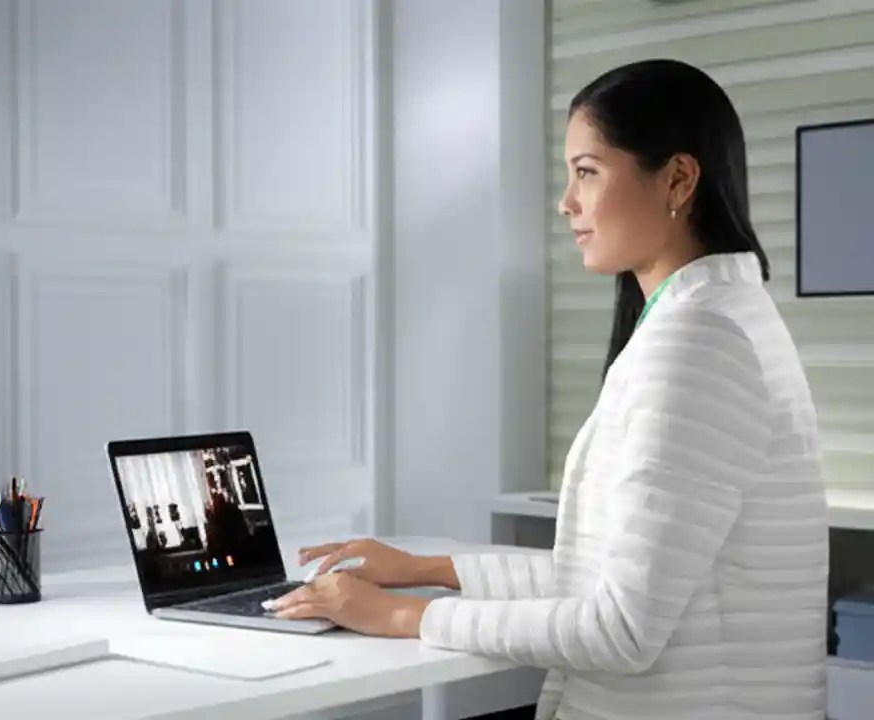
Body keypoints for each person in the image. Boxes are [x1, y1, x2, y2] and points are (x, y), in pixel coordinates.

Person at [266, 59, 828, 720]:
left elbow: (619, 629)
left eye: (587, 172)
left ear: (678, 178)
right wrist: (425, 569)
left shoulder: (700, 343)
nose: (567, 202)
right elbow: (604, 574)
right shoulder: (719, 317)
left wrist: (399, 616)